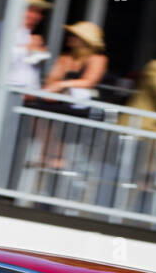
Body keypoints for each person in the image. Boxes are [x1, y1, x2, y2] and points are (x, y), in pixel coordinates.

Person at [33, 21, 107, 170]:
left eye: (74, 35)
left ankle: (58, 158)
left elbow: (88, 81)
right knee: (40, 112)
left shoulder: (98, 59)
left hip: (81, 106)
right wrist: (57, 85)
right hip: (62, 102)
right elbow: (52, 79)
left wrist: (62, 85)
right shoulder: (65, 58)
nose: (70, 37)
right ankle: (46, 155)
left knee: (61, 122)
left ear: (84, 40)